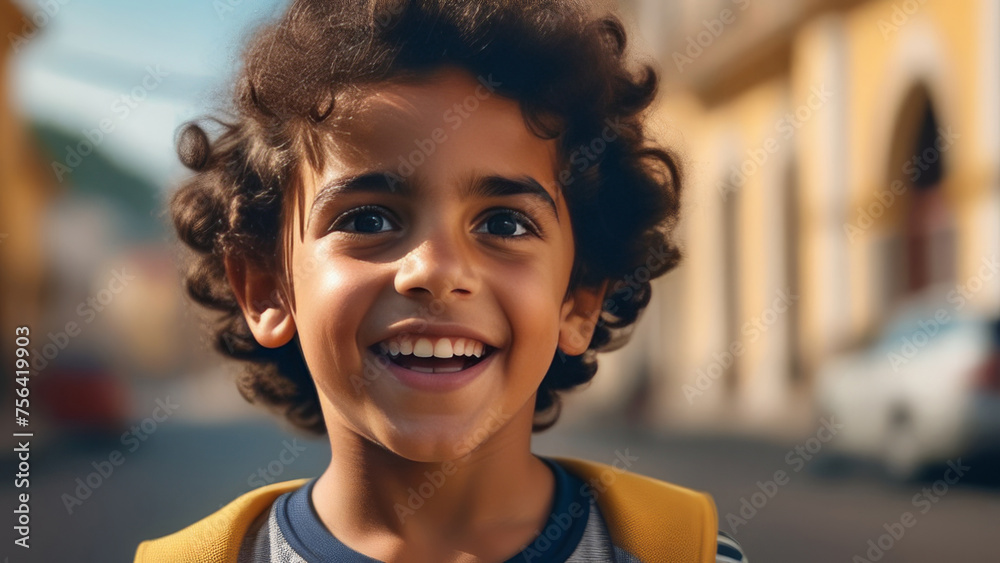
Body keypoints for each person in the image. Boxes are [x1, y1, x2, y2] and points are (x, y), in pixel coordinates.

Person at [136, 0, 748, 561]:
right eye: (368, 218)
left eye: (505, 223)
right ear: (266, 287)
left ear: (580, 296)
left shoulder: (680, 552)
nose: (436, 269)